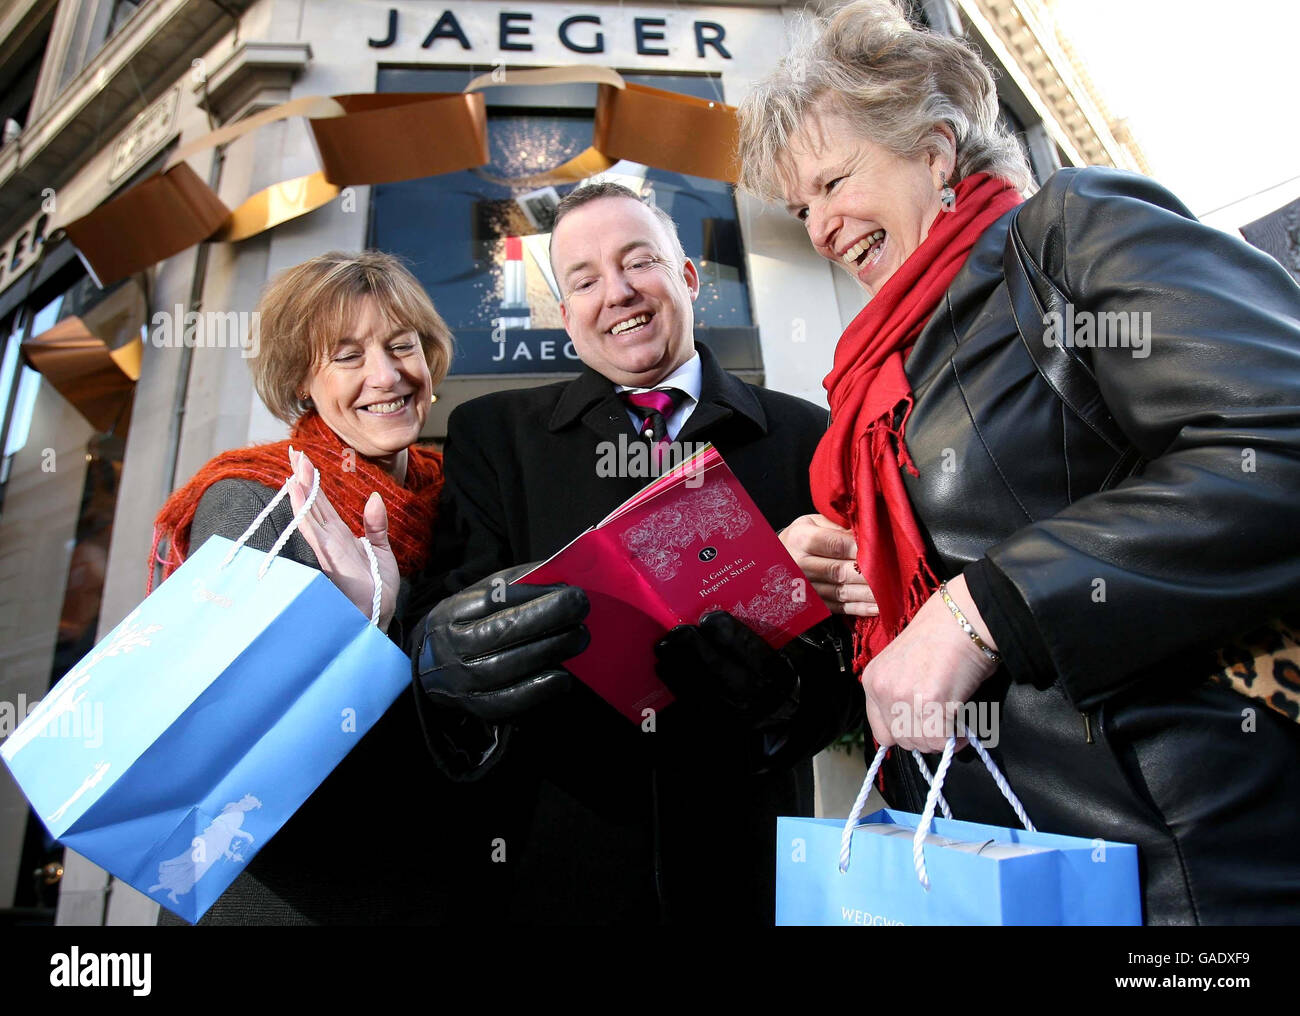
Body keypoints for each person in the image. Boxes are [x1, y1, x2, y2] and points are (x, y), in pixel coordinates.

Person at [735, 0, 1300, 924]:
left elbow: (1274, 438)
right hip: (989, 861)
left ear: (934, 147)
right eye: (802, 209)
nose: (822, 227)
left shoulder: (1071, 233)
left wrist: (982, 609)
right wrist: (849, 575)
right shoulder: (882, 366)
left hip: (1180, 870)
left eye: (835, 182)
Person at [404, 182, 863, 925]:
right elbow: (437, 617)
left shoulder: (806, 435)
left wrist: (784, 698)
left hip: (742, 868)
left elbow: (855, 658)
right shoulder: (494, 435)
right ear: (564, 314)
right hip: (554, 870)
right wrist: (441, 649)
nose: (615, 294)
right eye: (584, 280)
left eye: (638, 263)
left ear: (686, 278)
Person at [149, 250, 454, 924]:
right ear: (300, 381)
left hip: (429, 888)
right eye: (347, 356)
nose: (387, 374)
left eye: (402, 345)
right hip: (283, 900)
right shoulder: (251, 503)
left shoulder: (458, 498)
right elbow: (225, 750)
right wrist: (357, 632)